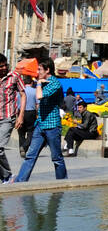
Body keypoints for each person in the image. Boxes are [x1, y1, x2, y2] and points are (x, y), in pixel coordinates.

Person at [13, 58, 68, 182]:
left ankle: (62, 182)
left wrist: (38, 83)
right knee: (30, 156)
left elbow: (39, 96)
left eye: (40, 69)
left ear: (47, 70)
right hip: (40, 124)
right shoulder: (42, 82)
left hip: (52, 125)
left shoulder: (54, 83)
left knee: (56, 158)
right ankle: (20, 181)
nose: (37, 72)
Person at [0, 54, 25, 185]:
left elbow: (23, 94)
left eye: (5, 65)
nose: (4, 68)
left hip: (7, 118)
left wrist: (20, 115)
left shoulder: (14, 76)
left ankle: (8, 176)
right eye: (1, 66)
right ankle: (5, 177)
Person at [18, 76, 37, 156]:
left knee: (21, 132)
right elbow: (37, 104)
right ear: (31, 83)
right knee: (30, 131)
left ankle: (22, 147)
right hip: (31, 112)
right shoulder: (35, 91)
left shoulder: (20, 91)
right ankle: (25, 147)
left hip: (20, 112)